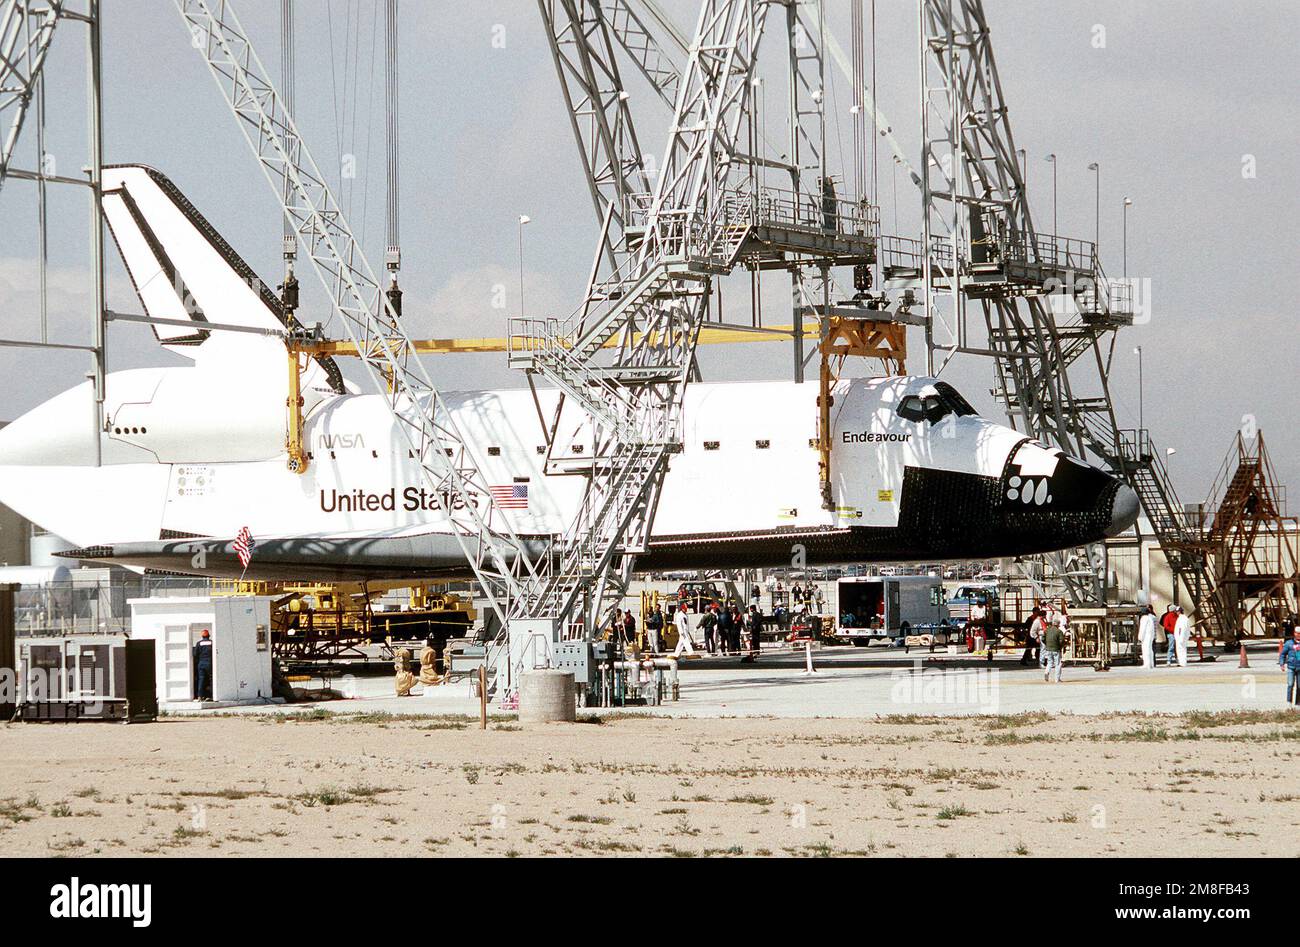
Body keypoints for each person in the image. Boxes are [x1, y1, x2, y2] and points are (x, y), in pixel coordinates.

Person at [1279, 624, 1300, 706]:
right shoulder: (1289, 643)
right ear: (1294, 633)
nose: (1298, 635)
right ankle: (1289, 702)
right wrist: (1282, 663)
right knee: (1290, 684)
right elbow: (1283, 654)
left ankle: (1298, 703)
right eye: (1297, 633)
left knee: (1299, 686)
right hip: (1291, 667)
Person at [1042, 614, 1066, 683]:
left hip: (1048, 649)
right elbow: (1061, 641)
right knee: (1058, 664)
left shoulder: (1047, 630)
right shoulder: (1059, 632)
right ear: (1058, 624)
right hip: (1056, 649)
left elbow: (1043, 638)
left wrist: (1046, 644)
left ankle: (1046, 672)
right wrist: (1061, 647)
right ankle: (1057, 679)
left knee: (1049, 662)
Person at [193, 628, 214, 701]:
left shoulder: (199, 643)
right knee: (211, 679)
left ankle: (199, 696)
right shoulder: (212, 643)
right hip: (209, 663)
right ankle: (211, 696)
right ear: (209, 635)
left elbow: (195, 654)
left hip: (201, 663)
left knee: (201, 679)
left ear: (202, 636)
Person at [1137, 604, 1156, 670]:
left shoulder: (1144, 618)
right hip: (1150, 636)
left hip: (1145, 636)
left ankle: (1146, 664)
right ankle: (1151, 664)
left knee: (1145, 650)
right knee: (1150, 650)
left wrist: (1140, 637)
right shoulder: (1150, 618)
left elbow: (1142, 628)